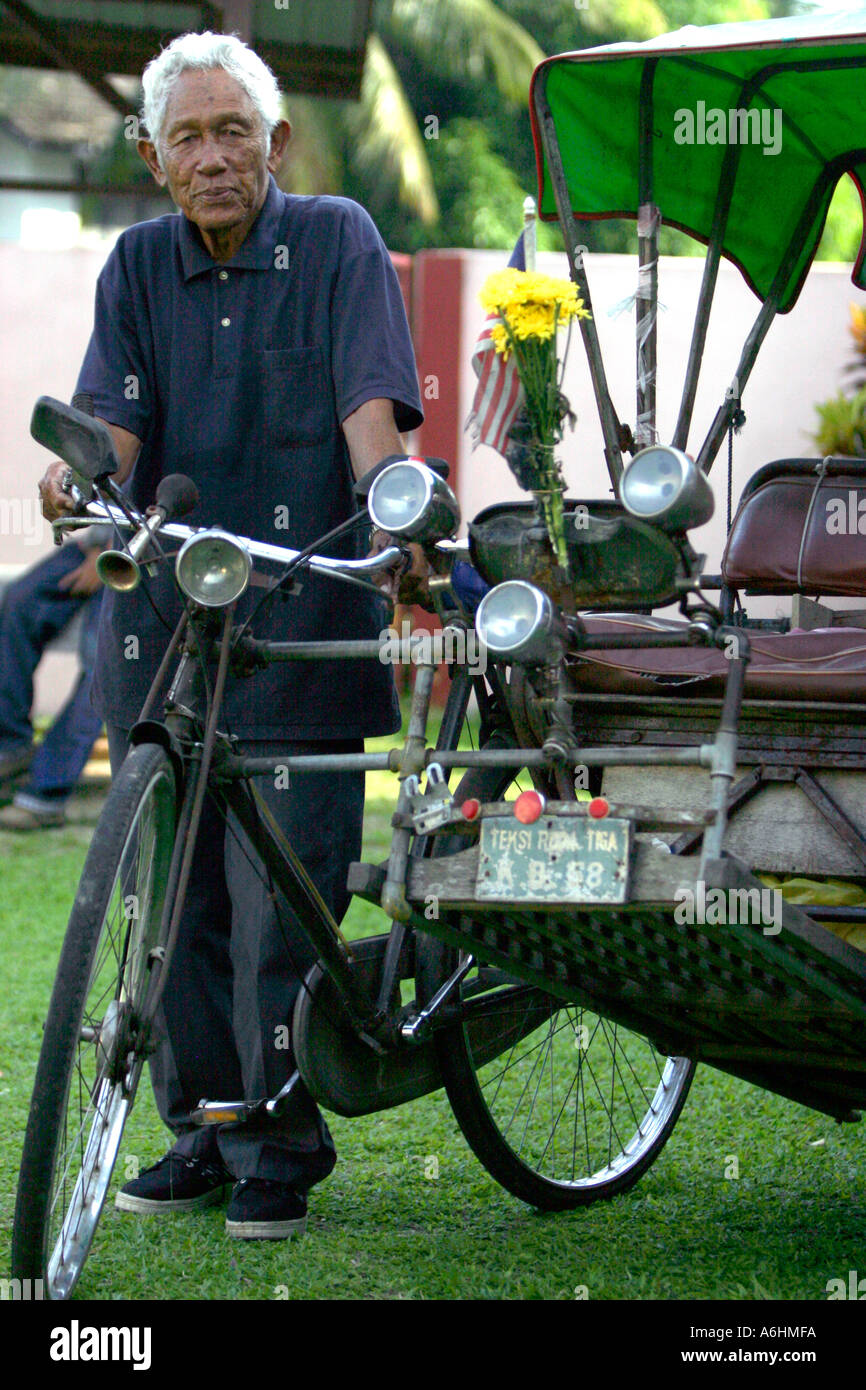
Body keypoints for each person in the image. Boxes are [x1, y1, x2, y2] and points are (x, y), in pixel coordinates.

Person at [38, 30, 423, 1240]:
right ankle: (201, 1129)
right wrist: (78, 482)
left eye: (232, 131)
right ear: (154, 158)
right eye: (188, 137)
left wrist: (396, 507)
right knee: (178, 895)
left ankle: (280, 1140)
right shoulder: (140, 265)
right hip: (167, 621)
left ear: (276, 142)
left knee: (281, 894)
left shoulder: (340, 240)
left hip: (302, 618)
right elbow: (114, 426)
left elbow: (372, 412)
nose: (213, 156)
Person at [0, 530, 106, 829]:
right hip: (94, 544)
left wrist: (110, 550)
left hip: (142, 552)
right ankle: (10, 747)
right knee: (18, 602)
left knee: (102, 659)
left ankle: (46, 793)